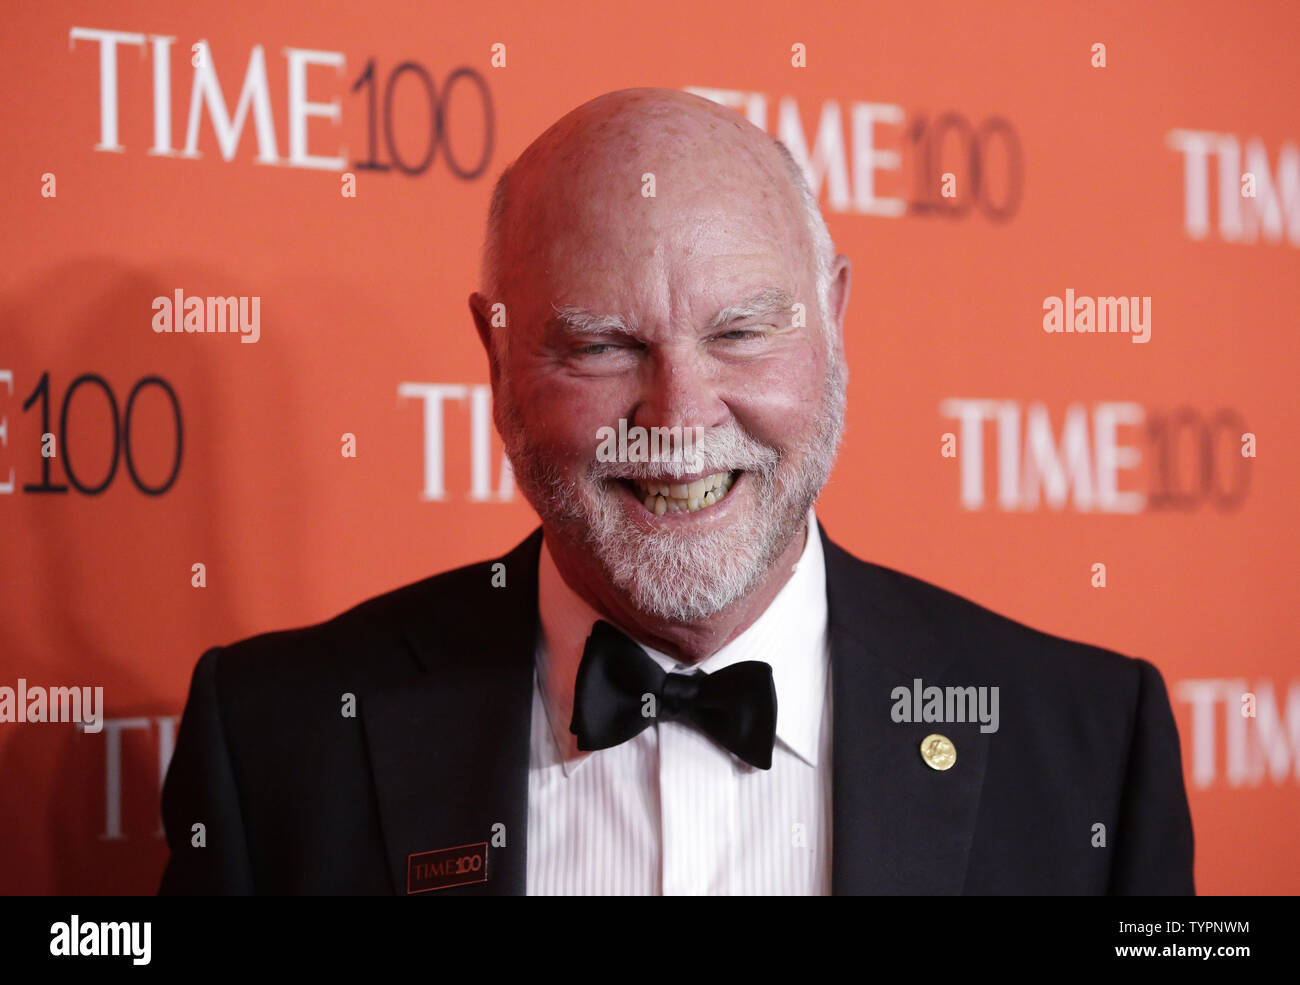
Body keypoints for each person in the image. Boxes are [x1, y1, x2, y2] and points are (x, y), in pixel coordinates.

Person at [159, 87, 1194, 895]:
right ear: (496, 352)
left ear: (835, 321)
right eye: (602, 346)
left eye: (741, 331)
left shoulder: (1090, 742)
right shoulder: (278, 743)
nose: (680, 416)